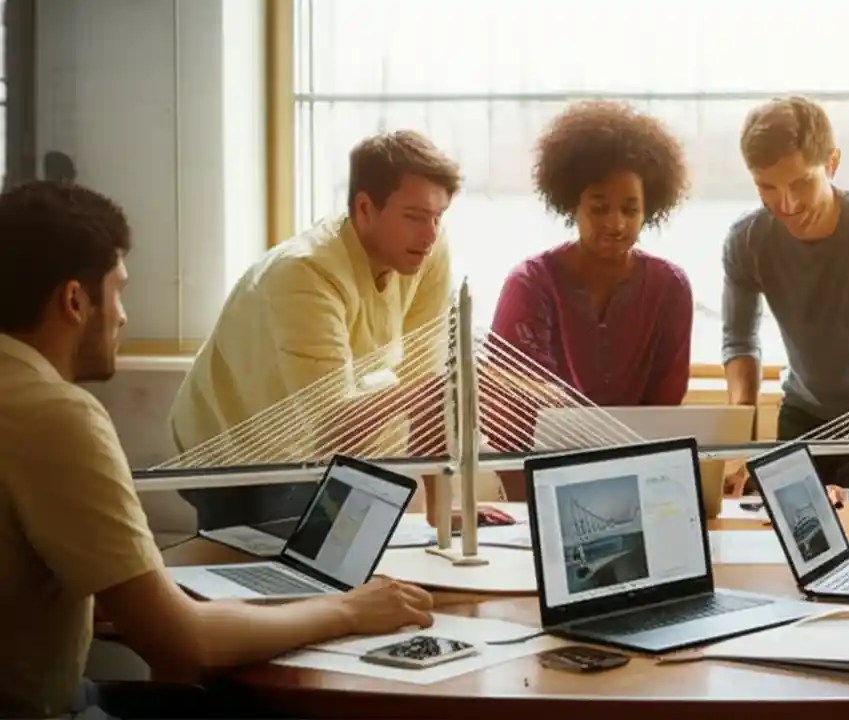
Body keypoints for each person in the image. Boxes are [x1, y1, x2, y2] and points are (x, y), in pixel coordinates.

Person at [0, 181, 436, 719]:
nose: (123, 316)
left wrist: (133, 597)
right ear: (74, 301)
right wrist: (348, 609)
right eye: (117, 292)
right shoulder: (56, 416)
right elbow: (185, 643)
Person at [168, 130, 459, 530]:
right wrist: (420, 394)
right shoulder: (303, 274)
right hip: (227, 449)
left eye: (438, 216)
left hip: (315, 439)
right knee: (273, 560)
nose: (429, 234)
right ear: (364, 208)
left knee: (349, 547)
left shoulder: (427, 249)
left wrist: (440, 515)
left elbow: (425, 385)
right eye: (414, 216)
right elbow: (333, 426)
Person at [722, 96, 849, 503]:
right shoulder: (746, 241)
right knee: (782, 525)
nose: (786, 205)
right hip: (807, 410)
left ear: (832, 163)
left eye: (801, 183)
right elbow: (739, 343)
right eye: (767, 187)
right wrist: (738, 448)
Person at [489, 100, 693, 413]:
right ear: (574, 204)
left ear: (648, 211)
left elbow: (665, 403)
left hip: (641, 445)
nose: (616, 224)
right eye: (599, 208)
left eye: (630, 210)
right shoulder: (530, 284)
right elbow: (517, 401)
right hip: (547, 445)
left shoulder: (670, 287)